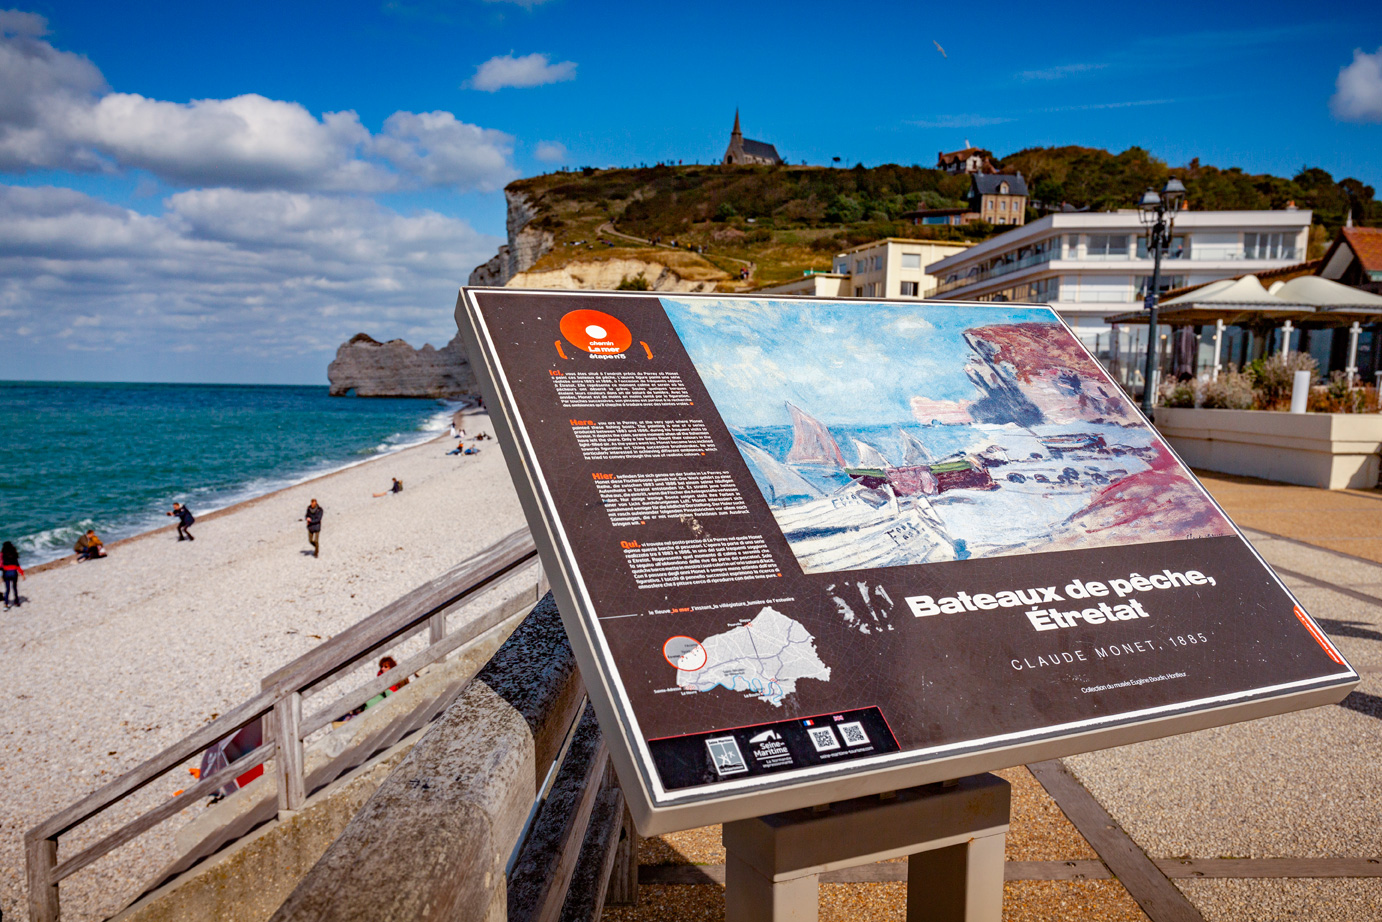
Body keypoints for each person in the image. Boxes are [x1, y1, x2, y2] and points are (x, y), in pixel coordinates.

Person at [2, 541, 24, 610]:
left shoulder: (2, 554)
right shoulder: (14, 553)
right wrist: (22, 574)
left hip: (6, 572)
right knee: (14, 588)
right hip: (14, 572)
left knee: (7, 589)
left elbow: (1, 565)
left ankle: (6, 604)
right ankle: (16, 602)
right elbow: (17, 565)